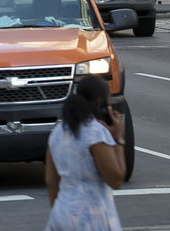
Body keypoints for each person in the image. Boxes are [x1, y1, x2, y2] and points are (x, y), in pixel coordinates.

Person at [42, 74, 126, 231]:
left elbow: (51, 181)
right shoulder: (96, 133)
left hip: (62, 215)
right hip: (93, 218)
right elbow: (116, 180)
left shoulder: (57, 133)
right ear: (100, 103)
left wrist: (60, 213)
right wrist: (119, 139)